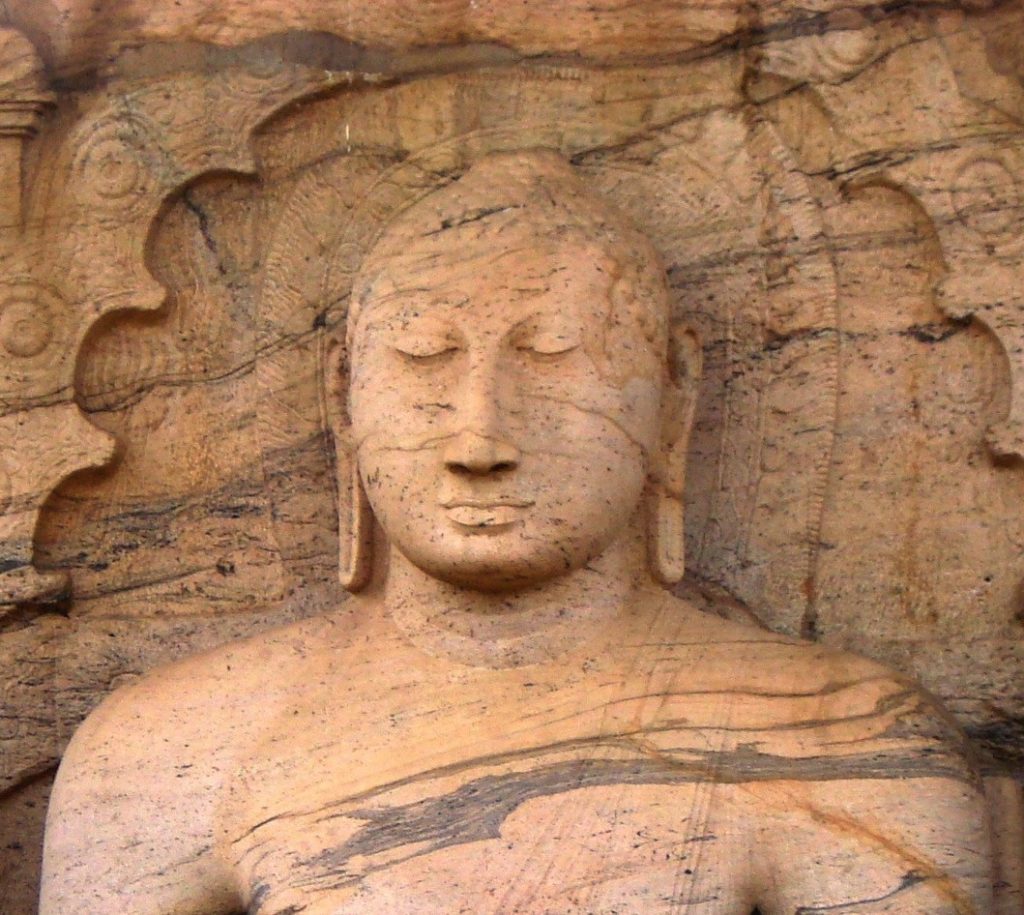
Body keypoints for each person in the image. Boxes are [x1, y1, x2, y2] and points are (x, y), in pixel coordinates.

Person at [41, 150, 993, 914]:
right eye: (422, 360)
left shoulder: (849, 743)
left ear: (673, 396)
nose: (479, 437)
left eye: (550, 360)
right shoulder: (168, 750)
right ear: (342, 395)